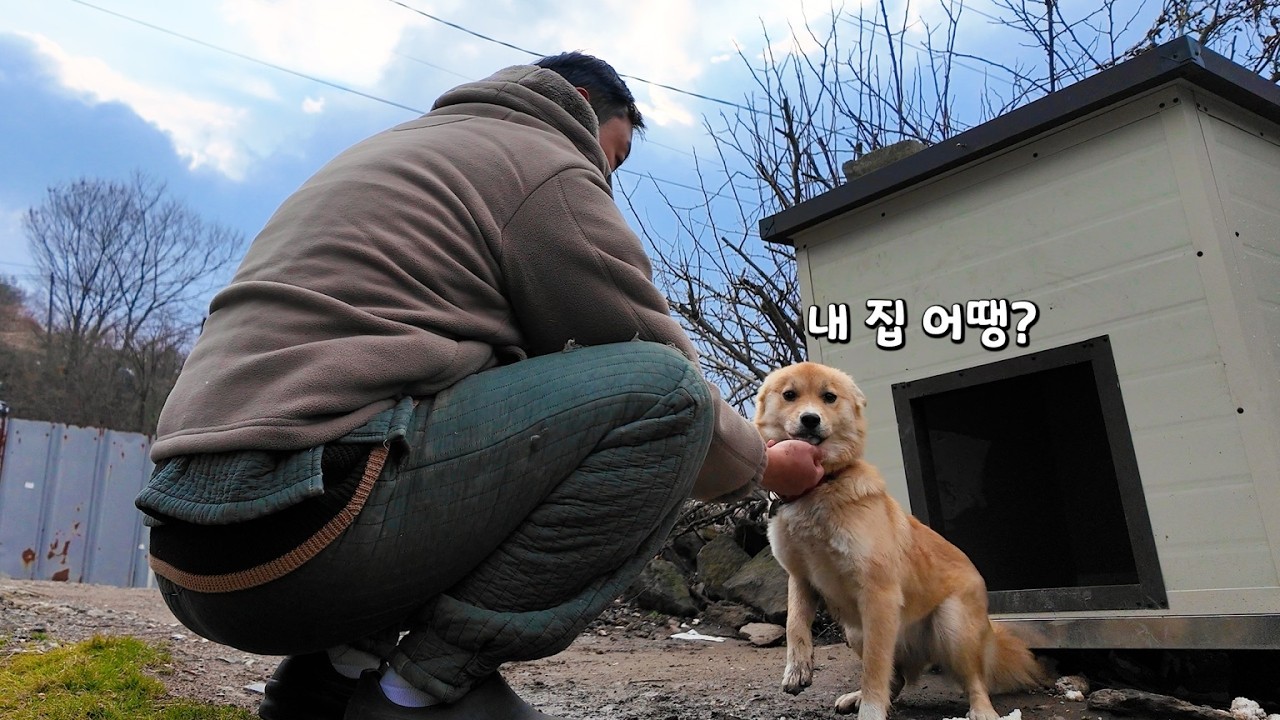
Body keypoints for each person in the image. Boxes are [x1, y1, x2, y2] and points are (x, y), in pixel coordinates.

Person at [135, 52, 823, 720]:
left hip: (192, 555)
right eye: (610, 158)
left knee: (494, 376)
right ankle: (423, 691)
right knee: (665, 395)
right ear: (580, 108)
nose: (605, 180)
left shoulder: (402, 151)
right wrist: (765, 465)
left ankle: (332, 676)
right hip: (309, 535)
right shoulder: (542, 157)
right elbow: (662, 373)